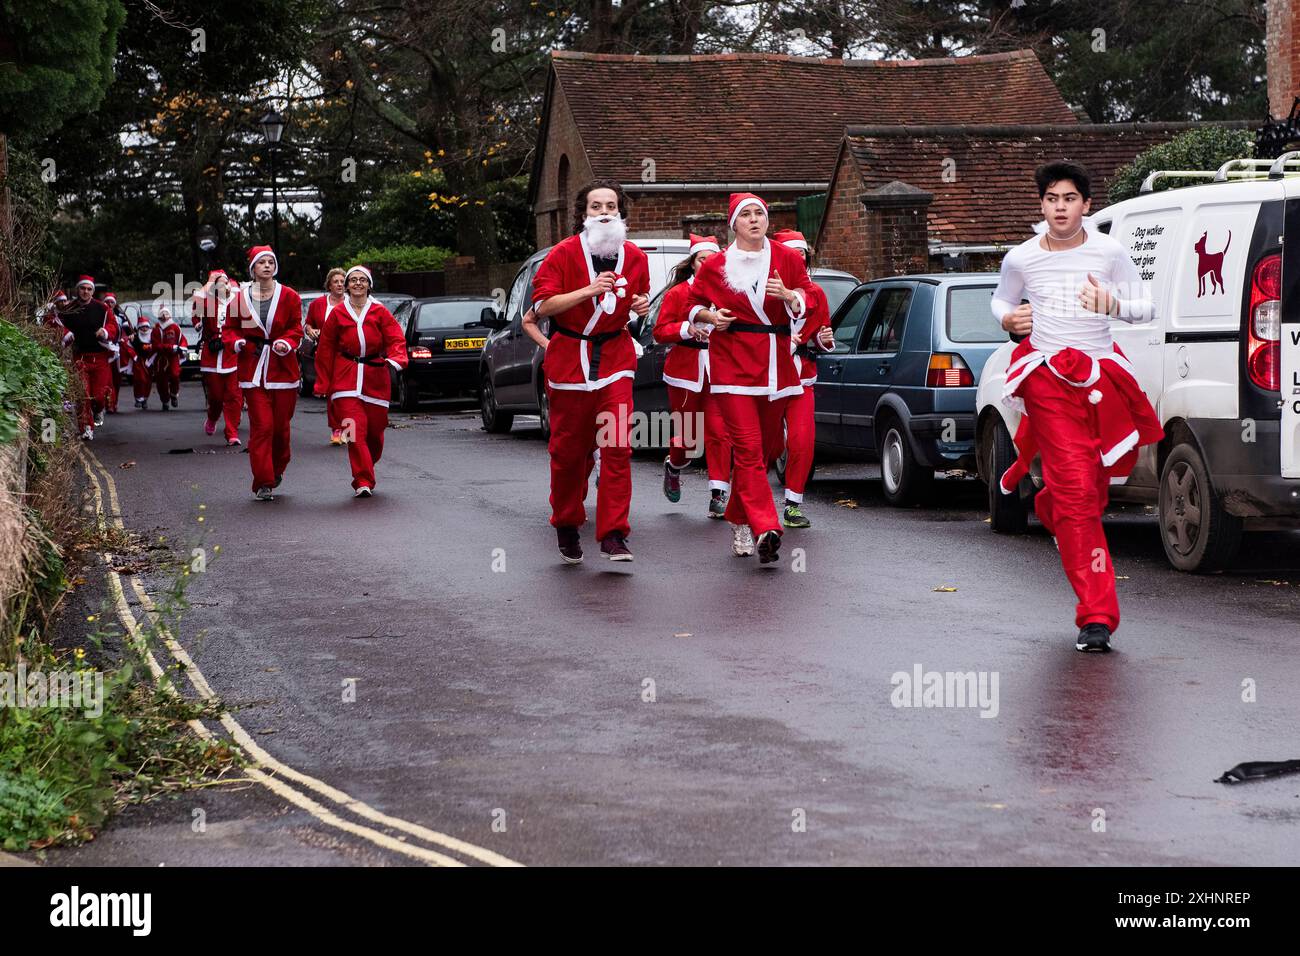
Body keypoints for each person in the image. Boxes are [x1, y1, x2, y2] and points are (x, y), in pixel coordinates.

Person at [991, 161, 1163, 653]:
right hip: (1046, 378)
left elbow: (1146, 305)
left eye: (1069, 198)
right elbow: (1000, 301)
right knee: (1077, 493)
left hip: (1101, 376)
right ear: (1041, 205)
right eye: (1051, 199)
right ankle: (1097, 616)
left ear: (1086, 206)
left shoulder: (1109, 251)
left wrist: (1111, 304)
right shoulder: (1022, 258)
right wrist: (1012, 318)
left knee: (1087, 489)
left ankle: (1051, 505)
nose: (1060, 207)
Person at [686, 194, 816, 564]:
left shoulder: (788, 258)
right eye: (746, 214)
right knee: (746, 449)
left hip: (777, 365)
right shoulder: (717, 265)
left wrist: (791, 296)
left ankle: (738, 517)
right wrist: (711, 319)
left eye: (760, 212)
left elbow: (811, 298)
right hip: (733, 365)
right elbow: (691, 304)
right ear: (734, 224)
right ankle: (766, 527)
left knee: (767, 450)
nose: (754, 219)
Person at [530, 179, 650, 563]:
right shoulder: (562, 255)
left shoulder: (635, 256)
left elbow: (638, 297)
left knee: (616, 447)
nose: (603, 212)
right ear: (583, 214)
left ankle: (614, 533)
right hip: (569, 361)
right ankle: (567, 522)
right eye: (595, 206)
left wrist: (641, 306)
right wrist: (588, 290)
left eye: (610, 206)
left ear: (620, 212)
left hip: (615, 361)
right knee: (570, 452)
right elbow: (543, 306)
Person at [653, 233, 733, 518]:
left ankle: (718, 494)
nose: (708, 263)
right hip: (685, 371)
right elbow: (659, 331)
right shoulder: (678, 293)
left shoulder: (728, 291)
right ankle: (674, 467)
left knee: (719, 434)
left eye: (713, 259)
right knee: (687, 439)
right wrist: (687, 329)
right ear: (694, 263)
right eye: (703, 259)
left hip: (719, 369)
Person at [313, 265, 409, 496]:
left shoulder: (380, 311)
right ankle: (363, 480)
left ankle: (367, 464)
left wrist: (397, 359)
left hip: (375, 376)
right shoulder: (337, 313)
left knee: (375, 433)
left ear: (369, 285)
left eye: (362, 280)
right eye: (353, 280)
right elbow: (325, 348)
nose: (357, 283)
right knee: (354, 431)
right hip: (345, 378)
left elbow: (396, 338)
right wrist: (323, 382)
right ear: (346, 286)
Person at [222, 245, 304, 500]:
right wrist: (238, 343)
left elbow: (296, 329)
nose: (267, 266)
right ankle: (263, 481)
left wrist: (287, 343)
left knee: (280, 429)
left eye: (270, 261)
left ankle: (277, 468)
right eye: (261, 262)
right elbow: (229, 329)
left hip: (283, 371)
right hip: (253, 370)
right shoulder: (239, 299)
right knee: (262, 427)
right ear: (253, 269)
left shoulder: (290, 296)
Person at [772, 229, 835, 528]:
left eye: (802, 255)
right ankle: (745, 501)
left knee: (802, 440)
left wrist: (824, 339)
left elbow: (823, 337)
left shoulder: (817, 293)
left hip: (802, 377)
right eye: (791, 255)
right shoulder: (764, 290)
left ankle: (793, 504)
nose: (798, 259)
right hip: (768, 378)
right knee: (767, 444)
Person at [57, 275, 118, 440]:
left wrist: (105, 332)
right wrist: (66, 335)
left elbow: (113, 326)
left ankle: (99, 410)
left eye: (89, 289)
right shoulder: (68, 309)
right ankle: (86, 429)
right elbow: (56, 325)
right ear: (78, 289)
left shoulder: (103, 309)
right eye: (83, 288)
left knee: (98, 396)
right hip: (79, 358)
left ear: (93, 291)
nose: (85, 292)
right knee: (83, 394)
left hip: (100, 357)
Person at [192, 269, 243, 445]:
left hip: (232, 354)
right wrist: (210, 281)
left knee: (234, 396)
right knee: (216, 397)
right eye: (219, 283)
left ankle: (232, 432)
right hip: (212, 355)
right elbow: (196, 303)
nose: (224, 285)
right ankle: (212, 417)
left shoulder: (238, 302)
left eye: (226, 282)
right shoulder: (208, 302)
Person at [305, 267, 347, 445]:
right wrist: (311, 330)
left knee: (346, 392)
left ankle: (348, 429)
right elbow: (308, 324)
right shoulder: (318, 304)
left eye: (342, 282)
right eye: (336, 281)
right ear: (329, 285)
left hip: (347, 353)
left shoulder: (352, 302)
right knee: (333, 392)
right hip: (326, 353)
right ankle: (336, 429)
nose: (339, 284)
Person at [152, 305, 183, 410]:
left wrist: (183, 348)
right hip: (161, 358)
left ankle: (174, 395)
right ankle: (165, 400)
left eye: (166, 314)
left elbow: (182, 339)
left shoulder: (175, 327)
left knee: (175, 375)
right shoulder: (156, 330)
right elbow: (156, 345)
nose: (164, 317)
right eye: (162, 315)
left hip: (173, 357)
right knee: (161, 381)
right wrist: (170, 347)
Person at [131, 311, 155, 410]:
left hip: (150, 360)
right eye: (142, 327)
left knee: (148, 381)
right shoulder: (135, 337)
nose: (144, 329)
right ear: (139, 328)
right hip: (139, 361)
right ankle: (138, 398)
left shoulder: (153, 336)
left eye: (146, 327)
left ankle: (145, 399)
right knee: (140, 379)